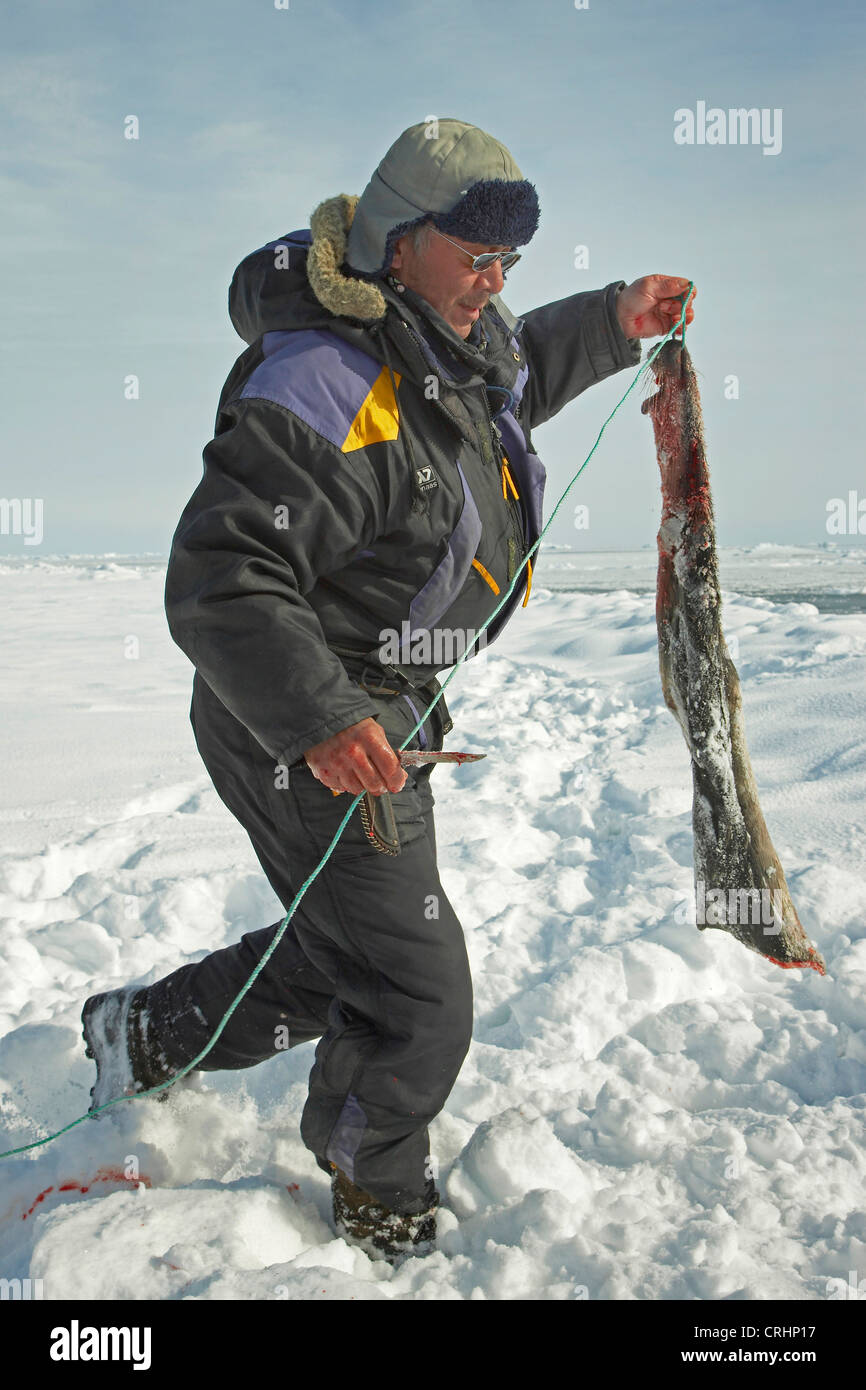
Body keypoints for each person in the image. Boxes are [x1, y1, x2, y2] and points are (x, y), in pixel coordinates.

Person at [81, 118, 696, 1262]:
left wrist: (614, 319)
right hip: (294, 709)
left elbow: (517, 371)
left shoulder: (447, 329)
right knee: (414, 987)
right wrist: (320, 718)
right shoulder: (321, 380)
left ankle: (149, 1028)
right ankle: (375, 1187)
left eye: (507, 262)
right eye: (476, 257)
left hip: (374, 707)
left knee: (349, 945)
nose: (495, 283)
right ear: (398, 240)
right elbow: (223, 575)